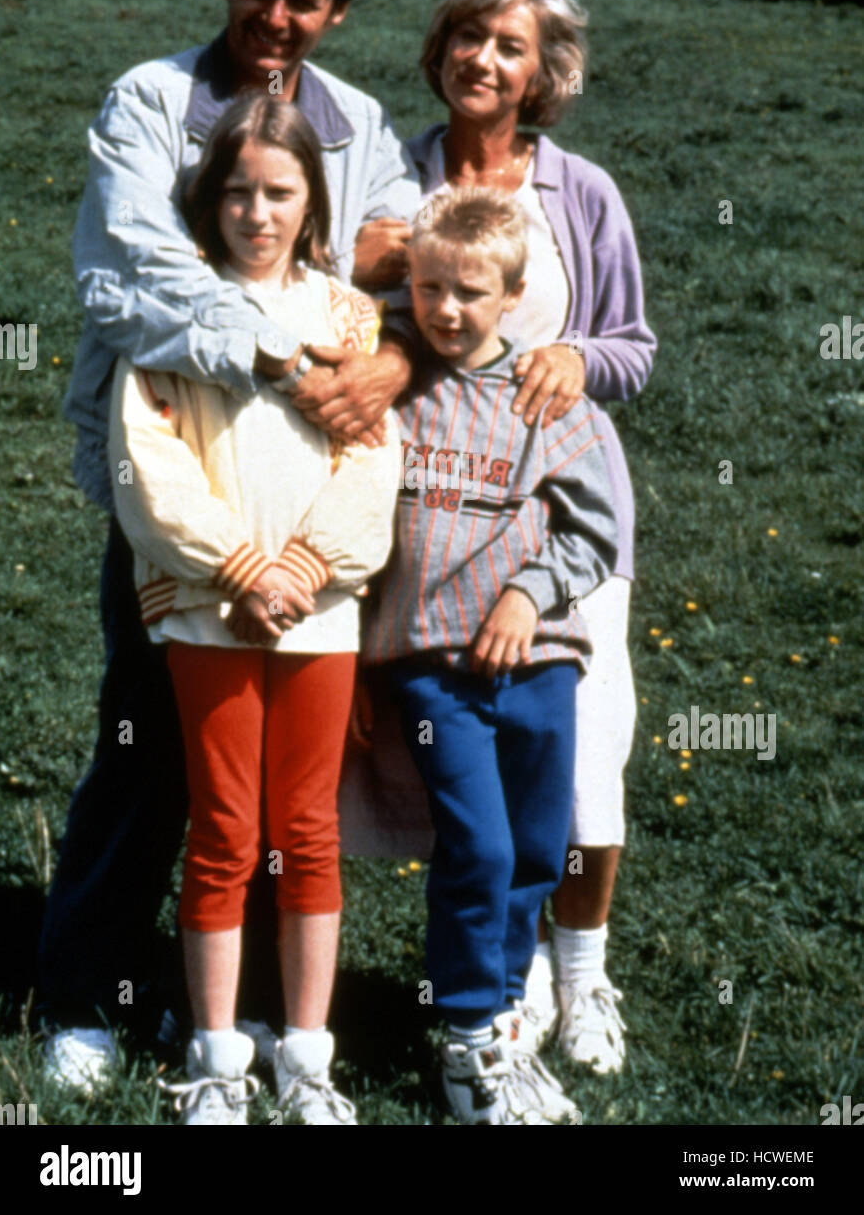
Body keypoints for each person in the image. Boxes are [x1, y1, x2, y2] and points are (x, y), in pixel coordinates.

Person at [39, 0, 421, 1091]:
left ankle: (243, 1013)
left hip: (310, 518)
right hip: (179, 496)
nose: (277, 14)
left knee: (283, 785)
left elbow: (408, 272)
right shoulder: (154, 101)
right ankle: (85, 994)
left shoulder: (356, 125)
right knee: (151, 744)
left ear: (340, 12)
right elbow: (129, 274)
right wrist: (271, 343)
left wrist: (392, 356)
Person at [382, 0, 656, 1072]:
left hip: (563, 521)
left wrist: (570, 355)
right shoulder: (390, 176)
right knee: (461, 781)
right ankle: (501, 982)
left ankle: (582, 978)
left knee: (582, 760)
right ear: (440, 45)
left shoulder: (577, 191)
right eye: (467, 36)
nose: (481, 60)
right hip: (433, 522)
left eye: (509, 47)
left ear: (544, 73)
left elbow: (633, 352)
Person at [108, 93, 399, 1124]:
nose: (258, 212)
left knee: (306, 827)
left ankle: (307, 1055)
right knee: (227, 827)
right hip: (207, 609)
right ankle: (217, 1056)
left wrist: (308, 567)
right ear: (208, 200)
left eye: (280, 192)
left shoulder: (346, 318)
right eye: (237, 191)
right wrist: (239, 566)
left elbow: (373, 464)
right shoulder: (170, 316)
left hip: (318, 611)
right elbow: (149, 468)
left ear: (311, 200)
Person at [361, 187, 618, 1124]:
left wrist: (529, 591)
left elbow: (600, 530)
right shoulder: (397, 387)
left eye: (471, 291)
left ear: (513, 296)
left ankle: (506, 1017)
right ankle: (467, 1040)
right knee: (479, 844)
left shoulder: (545, 397)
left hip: (542, 661)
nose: (447, 309)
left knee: (537, 851)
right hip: (430, 667)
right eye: (429, 287)